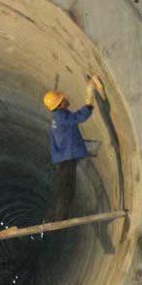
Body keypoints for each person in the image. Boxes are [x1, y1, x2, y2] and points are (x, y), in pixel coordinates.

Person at [43, 76, 105, 221]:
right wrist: (89, 103)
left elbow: (62, 137)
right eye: (63, 98)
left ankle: (58, 217)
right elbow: (79, 117)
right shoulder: (61, 116)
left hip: (63, 158)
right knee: (66, 190)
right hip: (66, 159)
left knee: (65, 189)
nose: (66, 98)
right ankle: (59, 220)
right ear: (60, 104)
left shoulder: (57, 117)